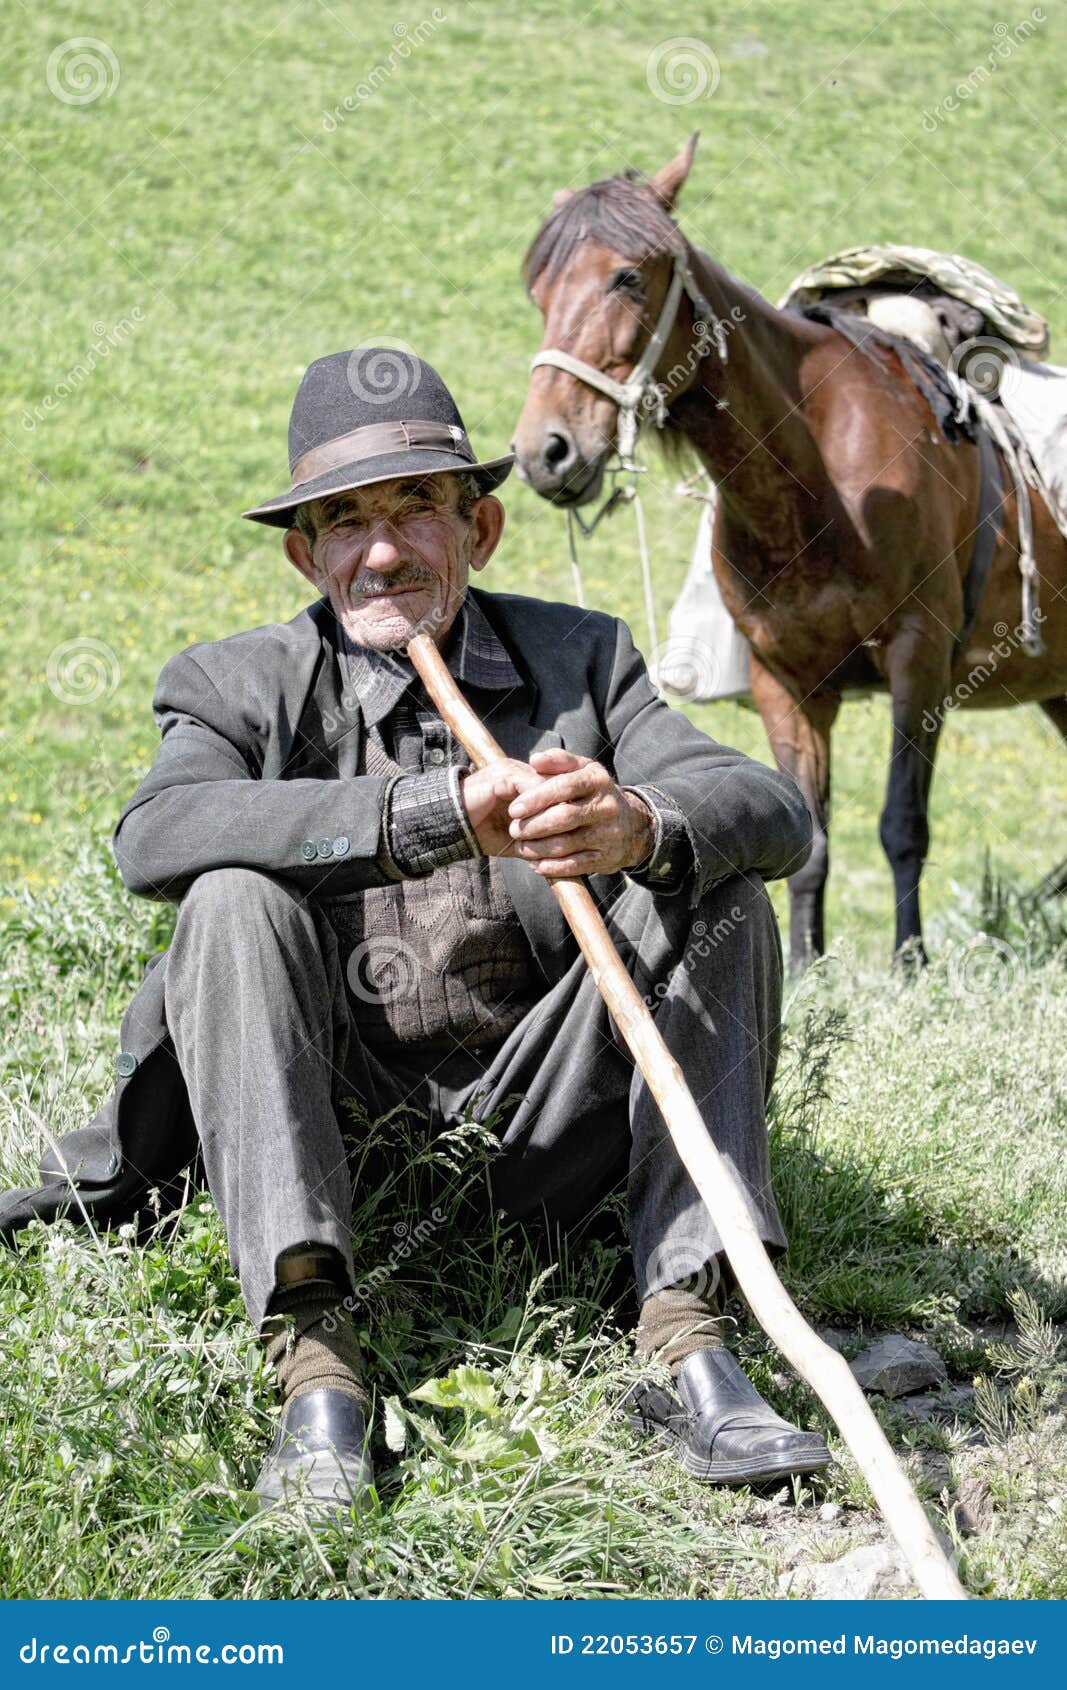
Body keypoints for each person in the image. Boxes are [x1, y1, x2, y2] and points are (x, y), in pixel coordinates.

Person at [0, 349, 829, 1513]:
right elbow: (155, 833)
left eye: (414, 510)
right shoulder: (236, 683)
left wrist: (635, 822)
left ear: (478, 527)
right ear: (306, 554)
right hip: (327, 1134)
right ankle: (317, 1365)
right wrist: (425, 814)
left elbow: (774, 811)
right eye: (344, 521)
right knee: (229, 896)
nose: (382, 551)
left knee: (721, 888)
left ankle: (687, 1328)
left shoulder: (582, 661)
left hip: (549, 1126)